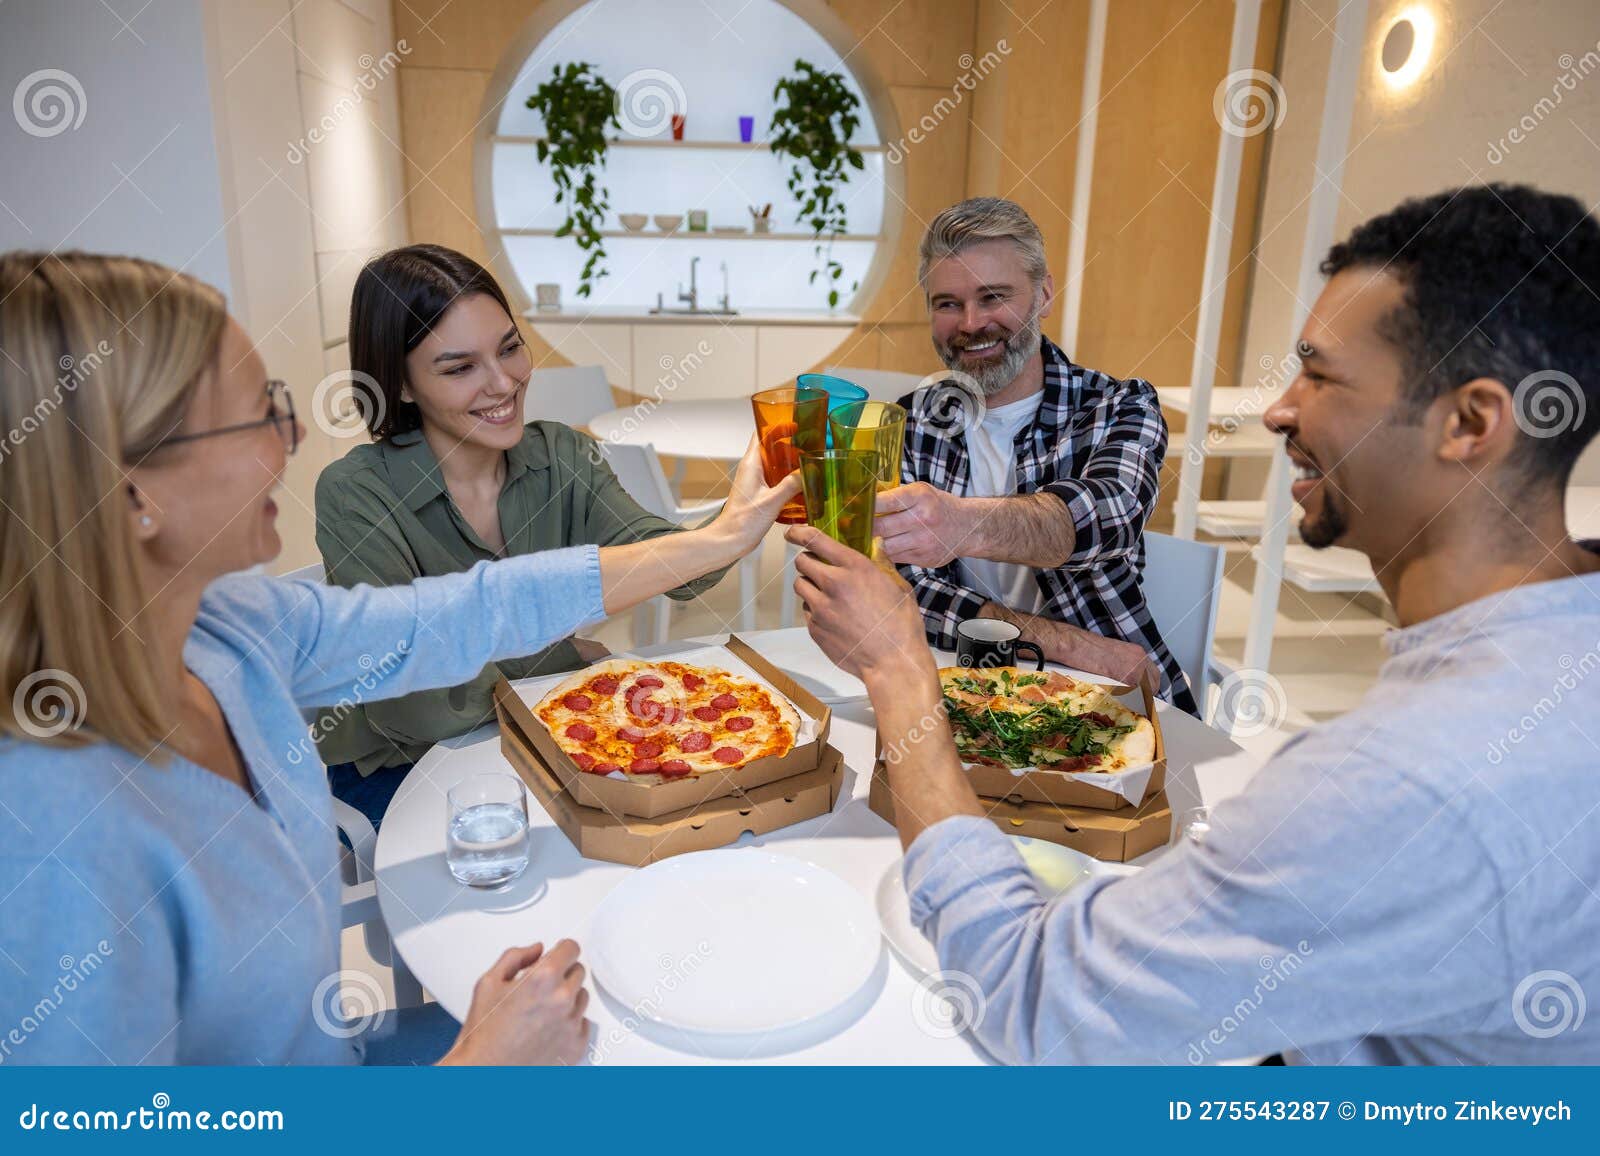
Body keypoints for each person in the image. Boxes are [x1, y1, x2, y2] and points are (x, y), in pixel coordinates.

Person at [791, 184, 1600, 1064]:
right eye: (948, 302)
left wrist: (902, 654)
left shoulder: (1395, 782)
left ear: (1472, 422)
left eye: (1320, 374)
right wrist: (1031, 635)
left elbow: (1042, 1007)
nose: (1280, 409)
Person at [0, 251, 798, 1065]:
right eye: (254, 418)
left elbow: (464, 613)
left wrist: (725, 534)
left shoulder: (229, 628)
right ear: (133, 493)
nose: (295, 437)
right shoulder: (51, 829)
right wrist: (472, 1072)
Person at [314, 245, 731, 826]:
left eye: (509, 347)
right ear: (400, 387)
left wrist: (746, 515)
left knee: (667, 822)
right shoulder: (354, 492)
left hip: (536, 730)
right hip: (401, 767)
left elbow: (688, 573)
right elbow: (420, 707)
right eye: (460, 368)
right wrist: (559, 655)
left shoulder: (562, 454)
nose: (504, 382)